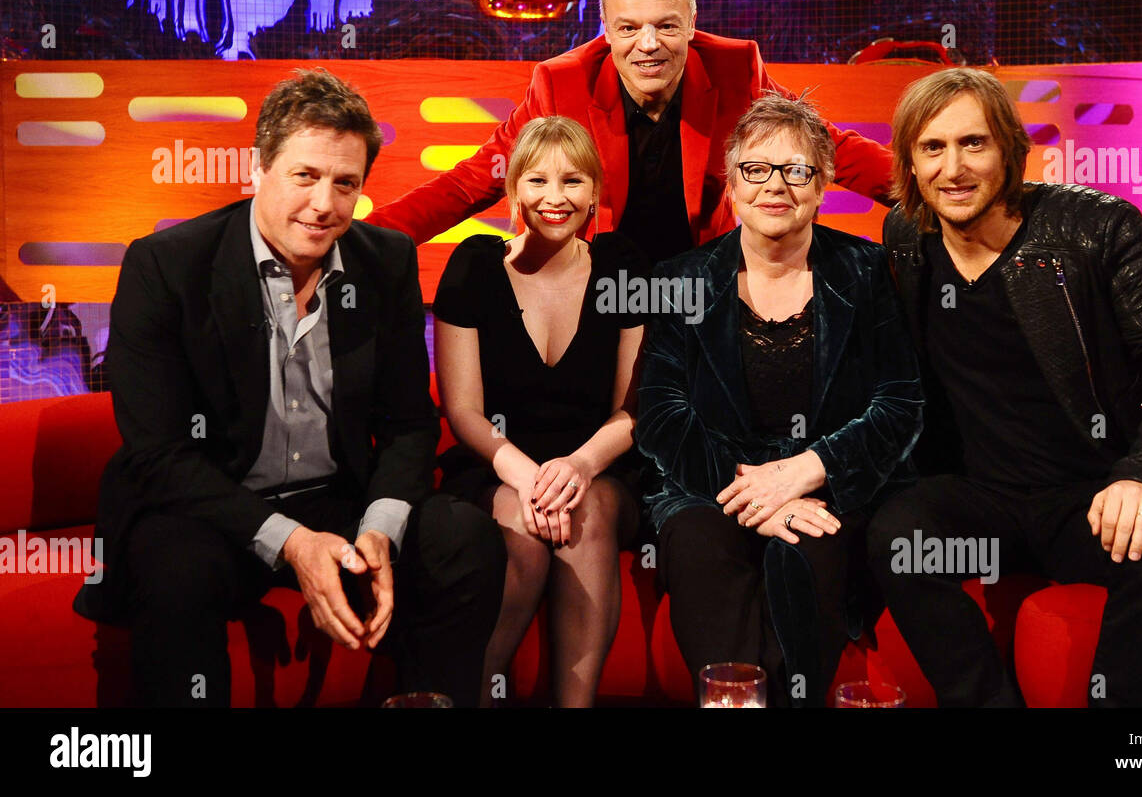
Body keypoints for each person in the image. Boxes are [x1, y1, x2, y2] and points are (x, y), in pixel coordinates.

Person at [73, 69, 507, 708]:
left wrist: (381, 526)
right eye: (305, 176)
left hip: (336, 499)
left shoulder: (383, 261)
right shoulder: (166, 267)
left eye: (345, 184)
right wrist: (291, 543)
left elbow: (410, 423)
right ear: (258, 168)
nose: (325, 205)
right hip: (211, 505)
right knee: (176, 573)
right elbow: (158, 455)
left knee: (460, 537)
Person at [869, 67, 1142, 707]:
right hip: (981, 500)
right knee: (897, 534)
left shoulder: (1098, 229)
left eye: (973, 143)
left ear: (1010, 148)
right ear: (911, 165)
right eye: (933, 147)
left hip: (1089, 497)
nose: (953, 167)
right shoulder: (908, 238)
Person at [636, 92, 924, 707]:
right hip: (709, 485)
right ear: (732, 185)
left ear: (822, 187)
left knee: (810, 547)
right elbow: (661, 414)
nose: (776, 186)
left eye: (798, 171)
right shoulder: (679, 279)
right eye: (756, 170)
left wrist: (803, 473)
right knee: (696, 544)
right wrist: (755, 494)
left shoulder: (868, 272)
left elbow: (899, 403)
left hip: (825, 485)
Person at [367, 0, 894, 266]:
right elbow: (471, 182)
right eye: (628, 28)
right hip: (597, 286)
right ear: (607, 31)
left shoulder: (736, 71)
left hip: (700, 280)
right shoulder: (560, 84)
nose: (649, 44)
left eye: (666, 25)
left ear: (691, 26)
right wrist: (358, 239)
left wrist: (930, 188)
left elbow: (829, 148)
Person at [433, 116, 646, 707]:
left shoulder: (624, 266)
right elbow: (464, 411)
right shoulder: (474, 266)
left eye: (573, 181)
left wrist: (576, 468)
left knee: (590, 515)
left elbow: (634, 410)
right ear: (514, 190)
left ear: (597, 192)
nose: (556, 198)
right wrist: (531, 478)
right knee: (524, 531)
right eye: (538, 181)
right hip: (499, 466)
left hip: (599, 468)